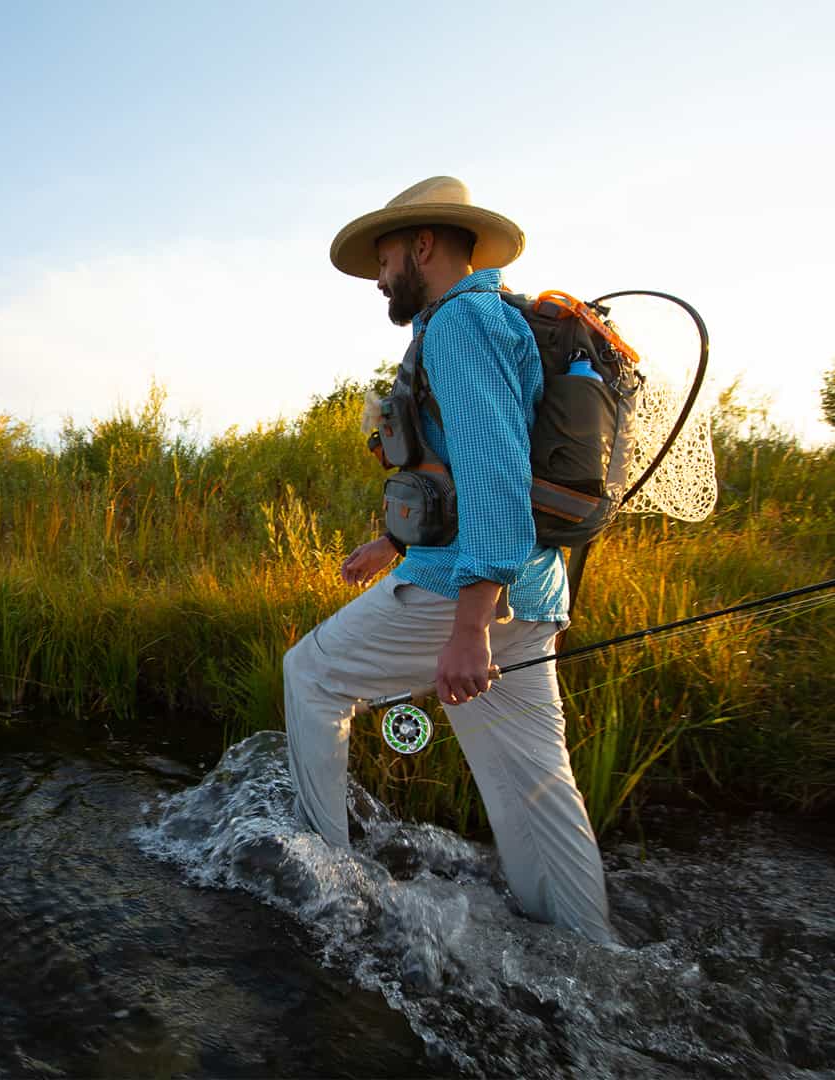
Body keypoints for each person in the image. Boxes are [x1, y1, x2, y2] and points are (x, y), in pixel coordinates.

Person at [283, 176, 613, 945]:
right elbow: (467, 464)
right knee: (533, 791)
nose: (377, 275)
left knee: (312, 675)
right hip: (530, 591)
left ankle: (322, 882)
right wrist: (395, 541)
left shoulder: (461, 325)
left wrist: (470, 626)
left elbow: (496, 472)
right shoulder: (487, 320)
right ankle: (590, 954)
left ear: (423, 246)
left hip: (465, 593)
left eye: (385, 255)